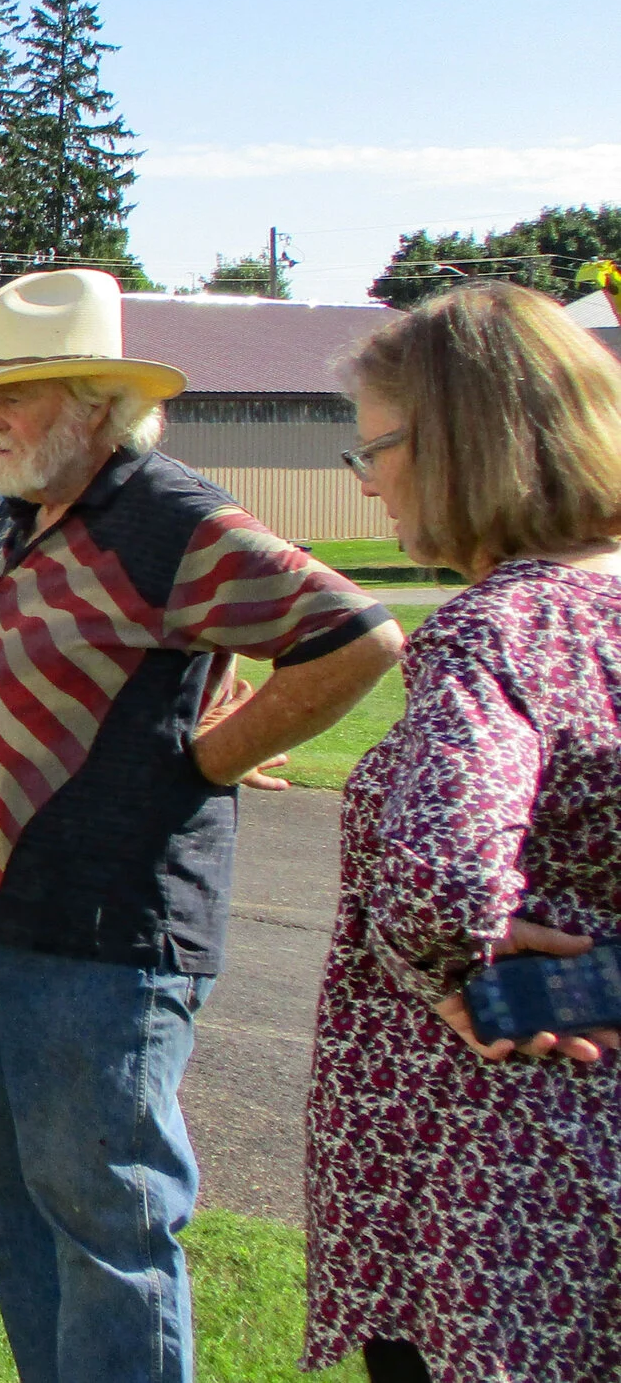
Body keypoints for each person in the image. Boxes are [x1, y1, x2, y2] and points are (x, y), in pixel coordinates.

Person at [0, 269, 404, 1382]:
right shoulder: (12, 523)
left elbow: (355, 636)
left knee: (107, 1222)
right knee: (10, 1200)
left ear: (95, 403)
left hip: (104, 938)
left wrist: (203, 758)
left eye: (17, 393)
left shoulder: (167, 519)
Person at [301, 282, 621, 1383]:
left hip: (502, 1177)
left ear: (455, 445)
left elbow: (437, 871)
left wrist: (452, 974)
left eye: (374, 447)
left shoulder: (499, 631)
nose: (368, 479)